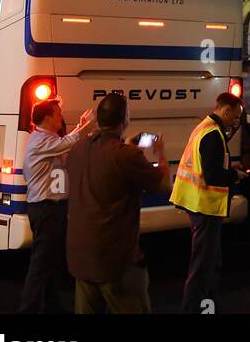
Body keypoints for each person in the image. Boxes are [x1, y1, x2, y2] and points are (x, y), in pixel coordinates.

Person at [65, 91, 171, 313]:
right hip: (115, 261)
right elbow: (163, 186)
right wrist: (161, 154)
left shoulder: (78, 149)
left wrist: (125, 145)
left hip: (81, 256)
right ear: (125, 120)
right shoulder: (126, 156)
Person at [171, 91, 250, 313]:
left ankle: (208, 306)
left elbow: (209, 166)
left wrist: (229, 169)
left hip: (199, 205)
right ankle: (194, 309)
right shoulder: (213, 134)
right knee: (203, 268)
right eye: (235, 116)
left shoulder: (204, 127)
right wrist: (235, 176)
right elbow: (213, 175)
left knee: (209, 264)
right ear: (226, 110)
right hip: (204, 206)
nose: (236, 121)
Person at [19, 98, 93, 313]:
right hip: (45, 209)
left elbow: (66, 143)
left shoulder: (46, 139)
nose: (61, 117)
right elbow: (66, 144)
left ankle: (51, 306)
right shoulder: (41, 141)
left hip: (52, 208)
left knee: (51, 262)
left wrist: (80, 127)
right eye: (58, 113)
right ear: (48, 117)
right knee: (41, 264)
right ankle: (29, 309)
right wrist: (86, 126)